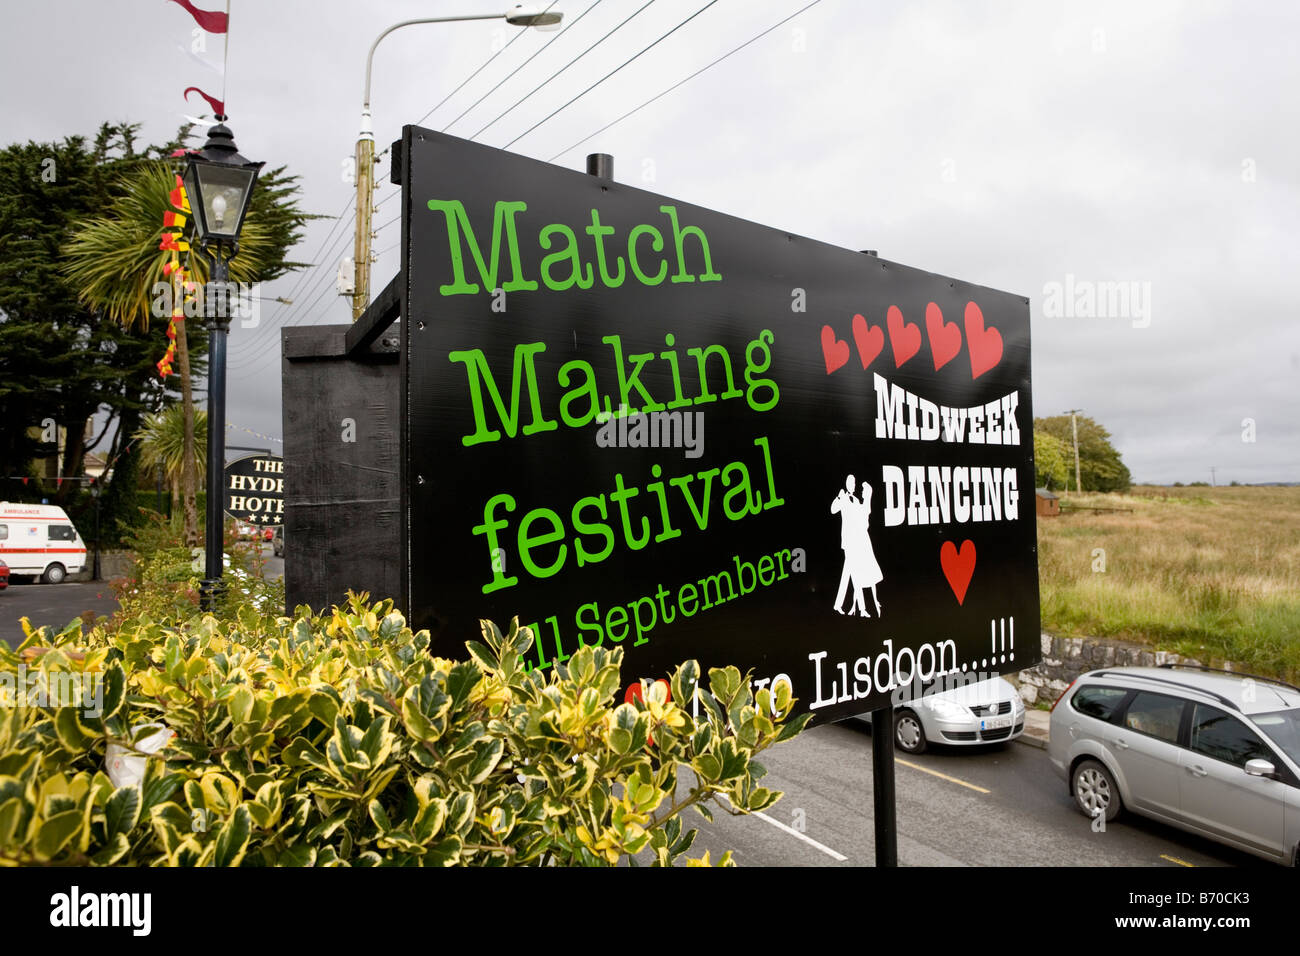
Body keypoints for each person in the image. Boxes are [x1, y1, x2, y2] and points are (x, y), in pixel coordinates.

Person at [831, 474, 884, 617]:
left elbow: (862, 517)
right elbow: (833, 509)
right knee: (854, 575)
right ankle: (862, 609)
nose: (852, 485)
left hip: (856, 542)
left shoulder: (856, 500)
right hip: (848, 542)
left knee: (849, 573)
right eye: (850, 483)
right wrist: (838, 497)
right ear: (847, 484)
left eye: (854, 483)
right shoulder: (843, 498)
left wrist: (867, 499)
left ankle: (839, 605)